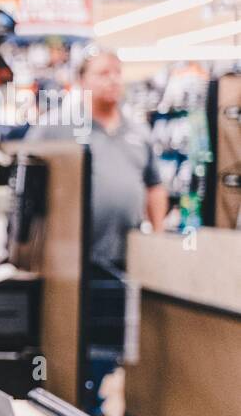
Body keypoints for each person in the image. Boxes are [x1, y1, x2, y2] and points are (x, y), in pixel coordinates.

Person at [29, 48, 168, 269]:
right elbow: (26, 180)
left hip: (126, 257)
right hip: (70, 261)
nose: (113, 80)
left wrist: (158, 235)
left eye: (117, 73)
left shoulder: (138, 131)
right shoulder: (56, 127)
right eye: (103, 73)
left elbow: (154, 186)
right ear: (82, 80)